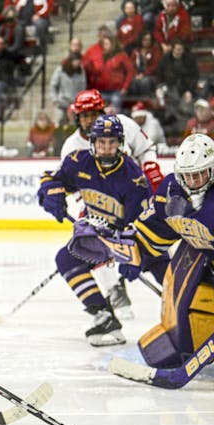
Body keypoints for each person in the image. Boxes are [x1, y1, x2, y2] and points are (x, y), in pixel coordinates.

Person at [99, 133, 214, 378]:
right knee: (180, 293)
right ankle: (180, 341)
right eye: (188, 176)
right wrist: (135, 254)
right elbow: (151, 230)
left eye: (199, 175)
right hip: (200, 258)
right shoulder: (172, 189)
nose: (193, 182)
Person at [36, 115, 152, 346]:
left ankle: (191, 313)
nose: (107, 148)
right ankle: (104, 315)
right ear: (93, 142)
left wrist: (133, 255)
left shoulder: (134, 178)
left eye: (112, 142)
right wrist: (52, 195)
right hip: (100, 239)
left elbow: (142, 225)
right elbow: (50, 180)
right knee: (66, 259)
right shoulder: (78, 161)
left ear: (120, 143)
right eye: (101, 142)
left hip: (129, 239)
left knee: (165, 273)